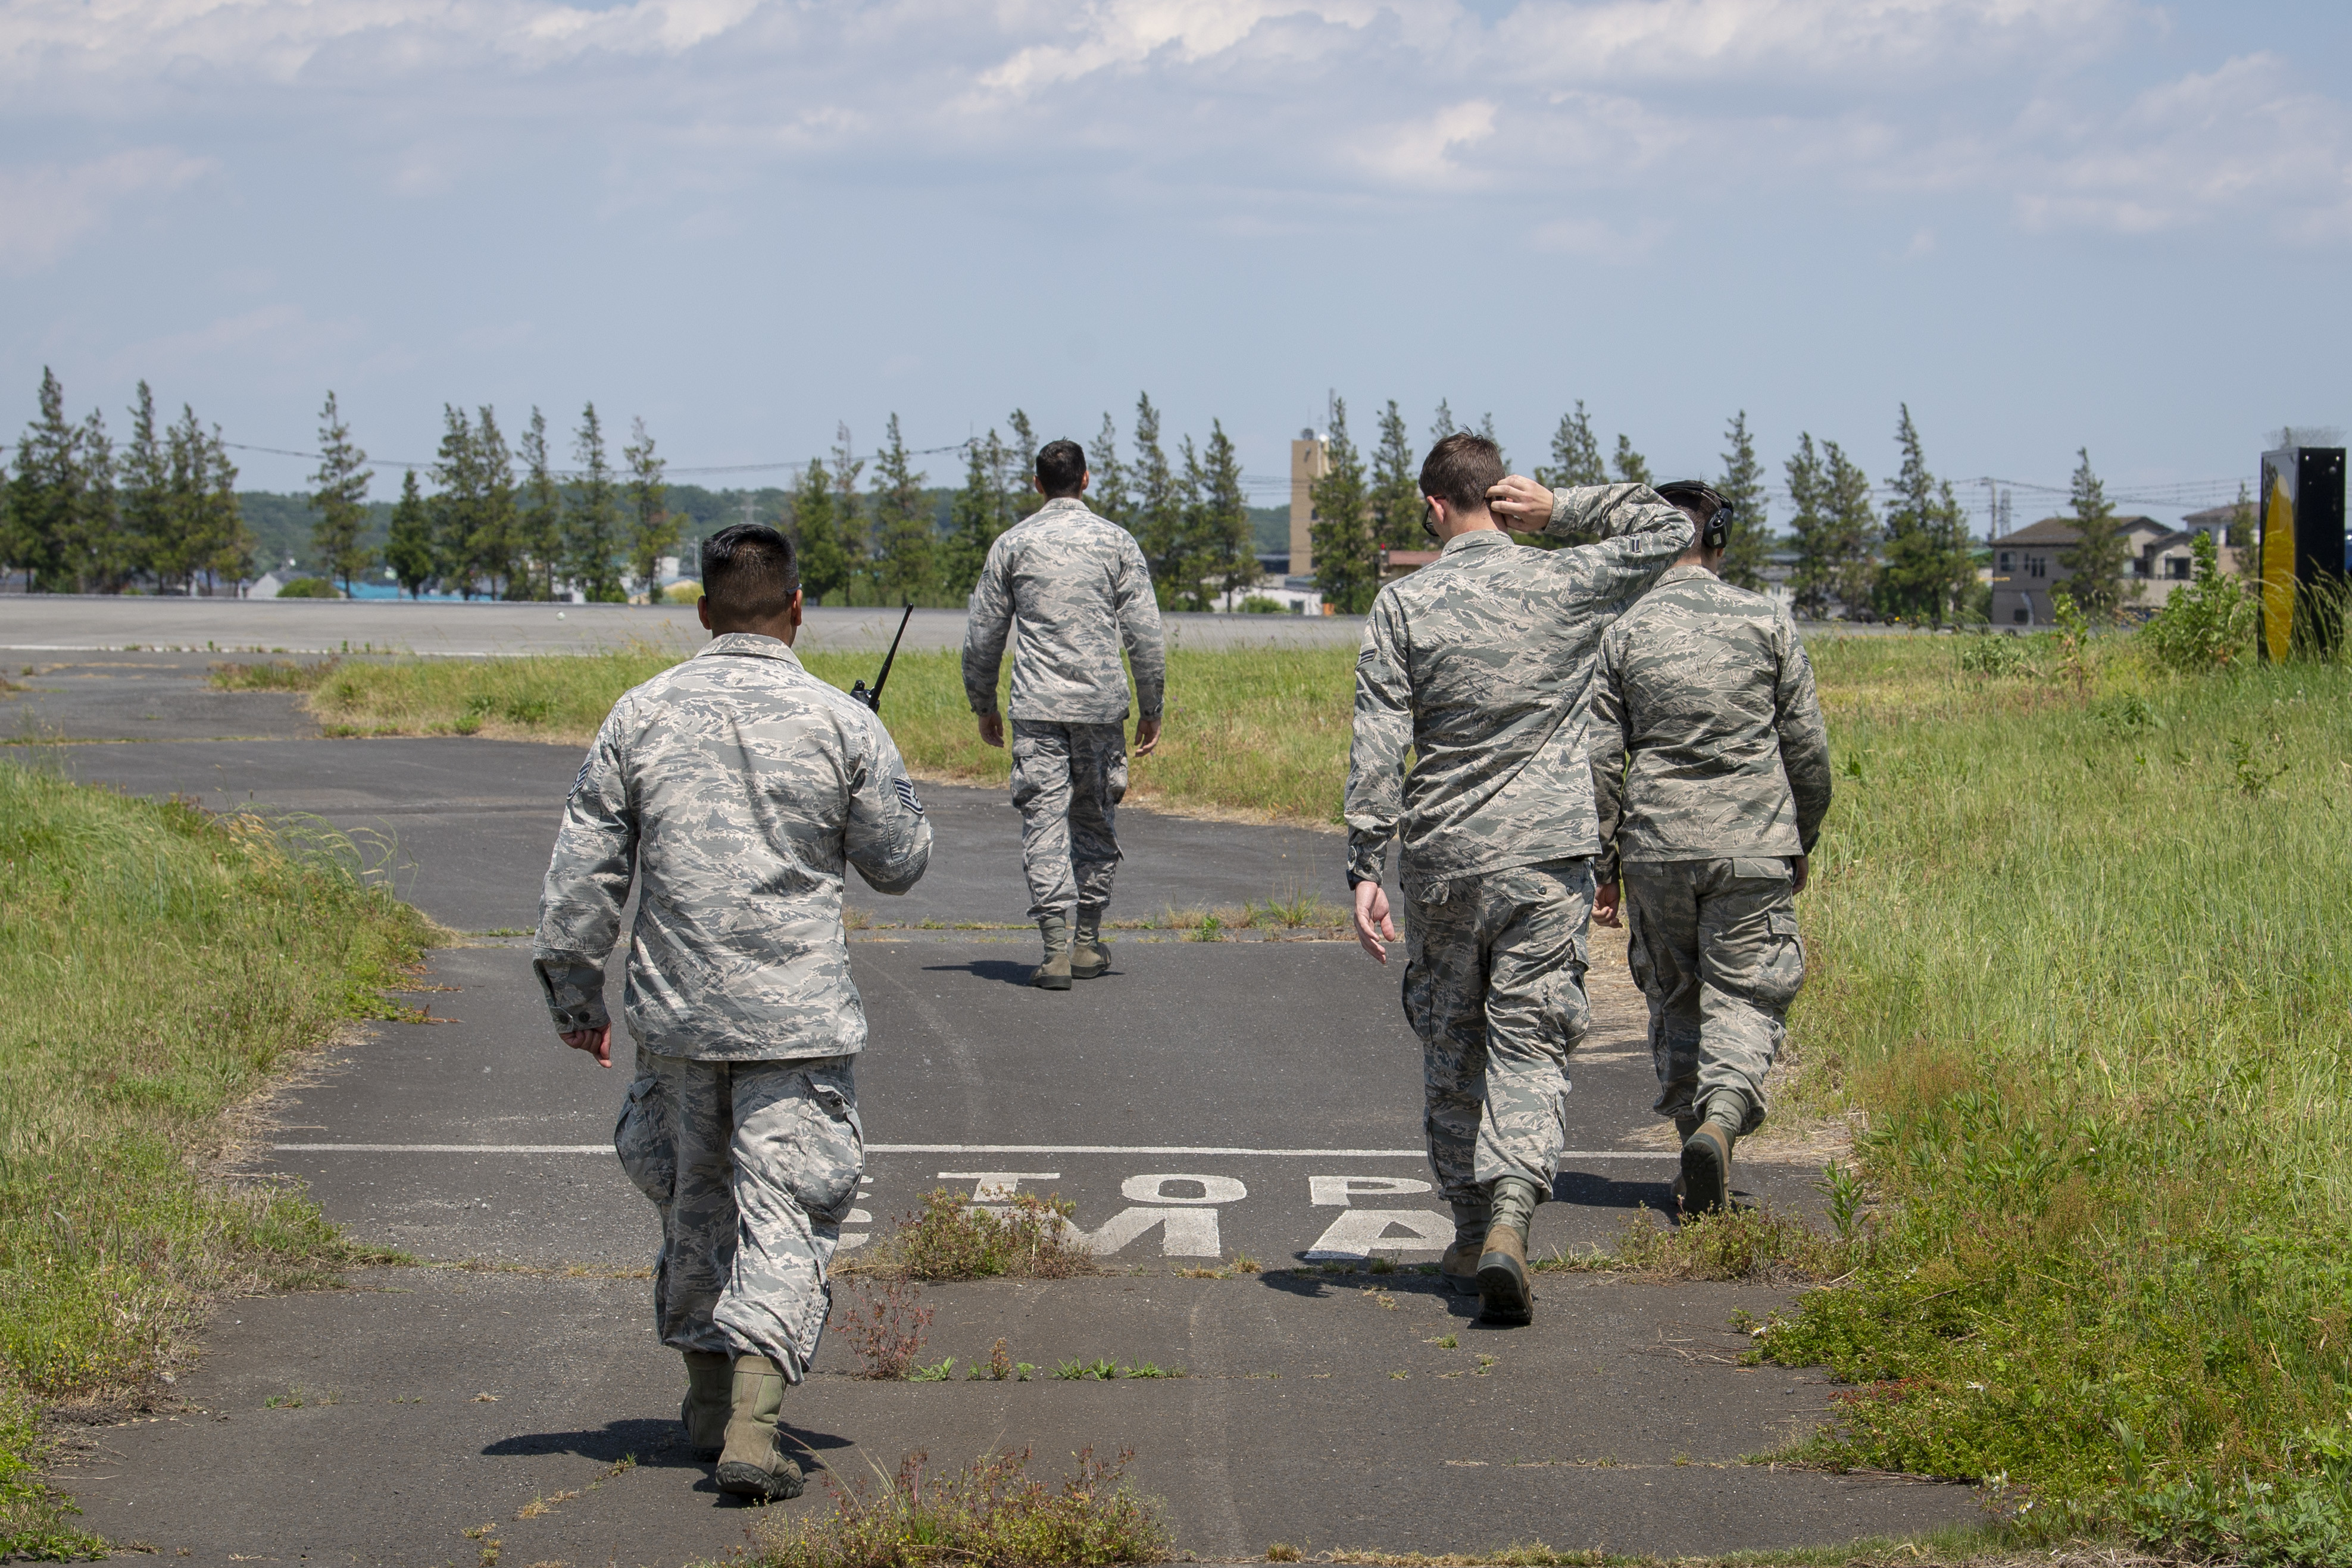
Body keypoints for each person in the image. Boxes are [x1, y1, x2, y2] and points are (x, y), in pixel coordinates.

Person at [533, 523, 932, 1503]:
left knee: (695, 1204)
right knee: (786, 1213)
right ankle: (753, 1424)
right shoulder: (840, 722)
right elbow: (900, 860)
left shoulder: (639, 713)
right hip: (794, 1024)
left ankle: (707, 1404)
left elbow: (583, 865)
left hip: (676, 1018)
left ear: (704, 612)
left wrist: (576, 993)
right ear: (798, 609)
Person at [1346, 432, 1692, 1326]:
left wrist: (1362, 862)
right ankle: (1509, 1216)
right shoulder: (1565, 580)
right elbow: (1666, 526)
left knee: (1452, 1040)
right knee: (1528, 1040)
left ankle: (1467, 1225)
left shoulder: (1403, 604)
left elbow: (1379, 742)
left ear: (1432, 507)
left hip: (1444, 859)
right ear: (1500, 498)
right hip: (1545, 858)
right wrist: (1563, 510)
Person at [1587, 480, 1832, 1216]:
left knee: (1675, 996)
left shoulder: (1622, 629)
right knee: (1748, 992)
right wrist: (1800, 838)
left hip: (1657, 847)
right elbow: (1809, 752)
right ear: (1719, 537)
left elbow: (1599, 760)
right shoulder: (1767, 620)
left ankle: (1697, 1144)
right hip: (1752, 841)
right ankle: (1722, 1122)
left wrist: (1605, 865)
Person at [961, 436, 1167, 989]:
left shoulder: (1013, 544)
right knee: (1095, 819)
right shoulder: (1116, 543)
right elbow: (1145, 636)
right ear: (1086, 480)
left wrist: (982, 702)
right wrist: (1152, 706)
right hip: (1101, 709)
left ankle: (1052, 949)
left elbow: (983, 635)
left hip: (1037, 706)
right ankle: (1086, 942)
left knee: (1043, 821)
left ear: (1036, 484)